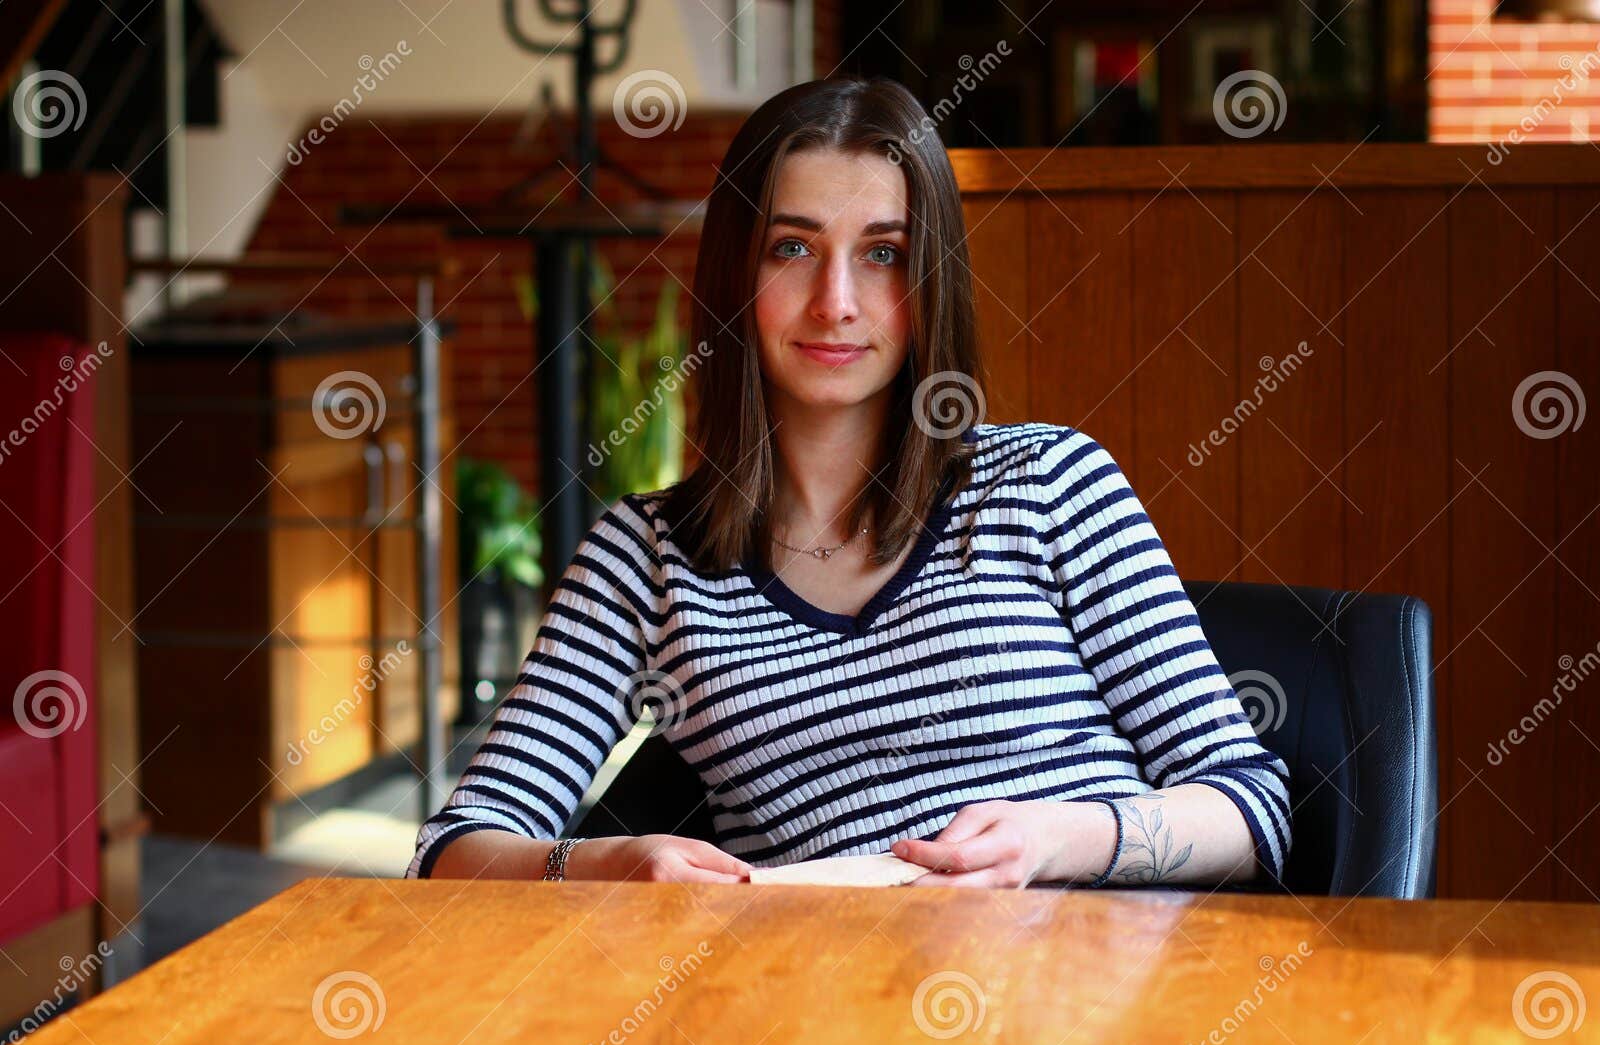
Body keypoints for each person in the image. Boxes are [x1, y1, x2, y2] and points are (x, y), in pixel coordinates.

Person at [406, 76, 1291, 890]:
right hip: (841, 1026)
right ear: (734, 273)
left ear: (929, 278)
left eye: (883, 253)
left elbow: (1250, 807)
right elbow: (452, 848)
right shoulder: (646, 561)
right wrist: (608, 865)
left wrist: (1054, 839)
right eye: (792, 247)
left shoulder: (1052, 480)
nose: (836, 300)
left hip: (1119, 1012)